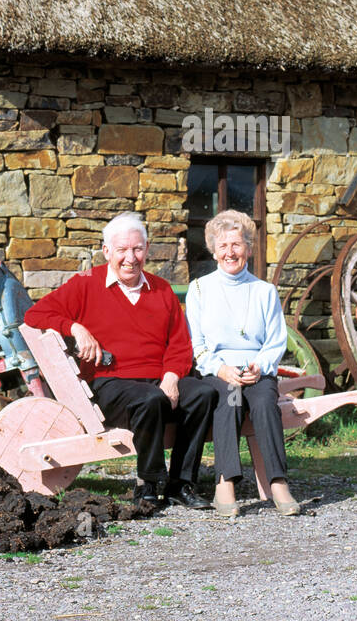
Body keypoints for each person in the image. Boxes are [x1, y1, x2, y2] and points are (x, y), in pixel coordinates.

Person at [22, 211, 216, 509]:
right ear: (106, 251)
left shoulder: (162, 289)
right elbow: (34, 315)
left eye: (137, 249)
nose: (130, 258)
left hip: (157, 379)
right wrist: (75, 327)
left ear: (147, 250)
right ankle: (148, 484)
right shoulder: (85, 283)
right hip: (109, 383)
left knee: (203, 394)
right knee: (150, 400)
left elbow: (180, 344)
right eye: (122, 250)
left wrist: (172, 377)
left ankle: (181, 484)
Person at [186, 210, 300, 517]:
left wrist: (259, 366)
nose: (230, 252)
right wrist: (222, 369)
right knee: (231, 400)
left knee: (264, 402)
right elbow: (198, 345)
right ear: (213, 250)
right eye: (223, 246)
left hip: (256, 370)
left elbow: (276, 341)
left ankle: (278, 482)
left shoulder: (265, 291)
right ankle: (225, 483)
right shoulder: (199, 289)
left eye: (236, 245)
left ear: (248, 248)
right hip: (219, 371)